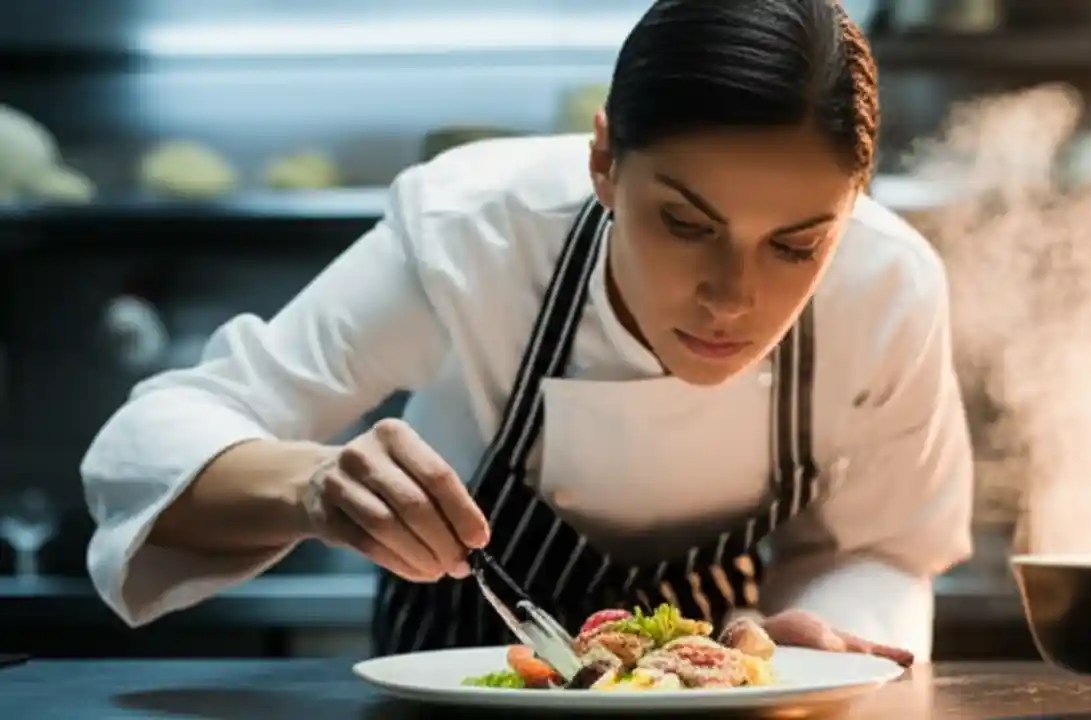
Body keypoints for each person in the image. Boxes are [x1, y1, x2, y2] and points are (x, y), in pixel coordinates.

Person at [80, 0, 972, 663]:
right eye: (687, 225)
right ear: (603, 163)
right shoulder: (474, 234)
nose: (733, 297)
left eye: (797, 244)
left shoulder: (886, 287)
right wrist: (314, 488)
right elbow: (148, 445)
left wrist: (811, 642)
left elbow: (882, 545)